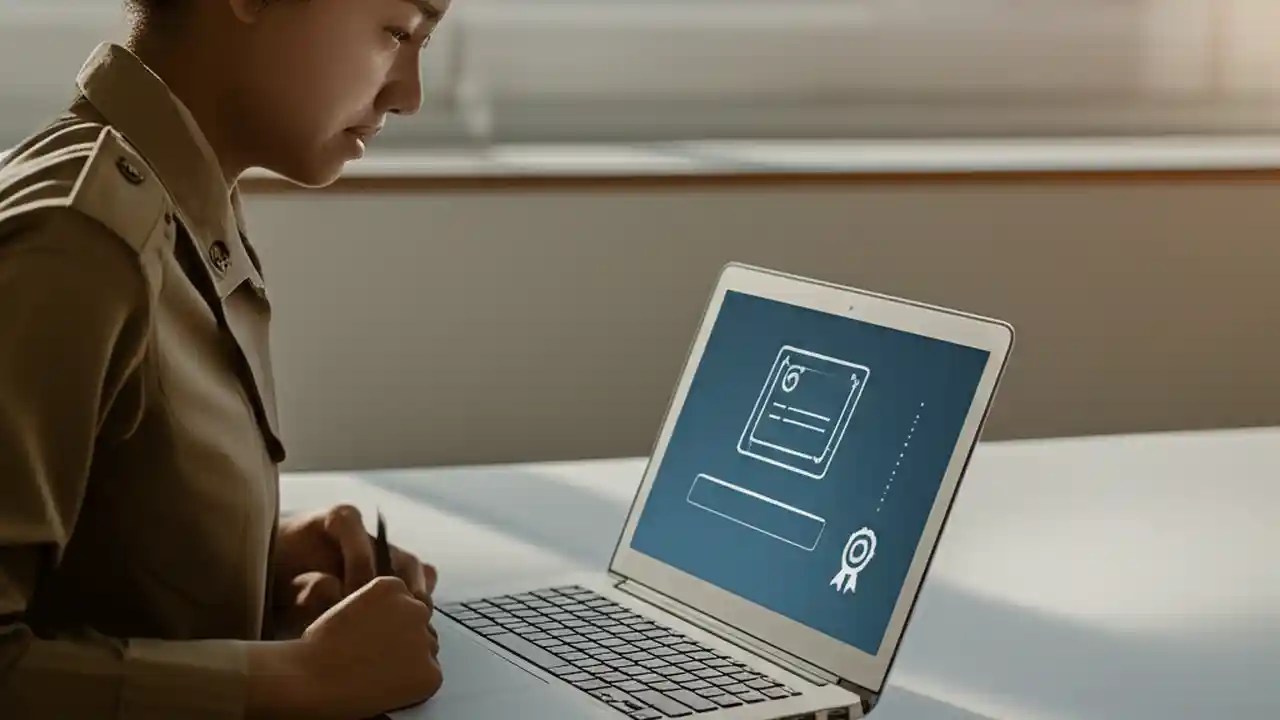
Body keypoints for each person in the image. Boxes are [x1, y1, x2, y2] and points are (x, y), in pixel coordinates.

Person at [0, 0, 451, 717]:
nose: (410, 94)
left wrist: (247, 560)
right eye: (397, 31)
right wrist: (303, 680)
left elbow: (76, 570)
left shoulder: (179, 200)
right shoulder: (78, 240)